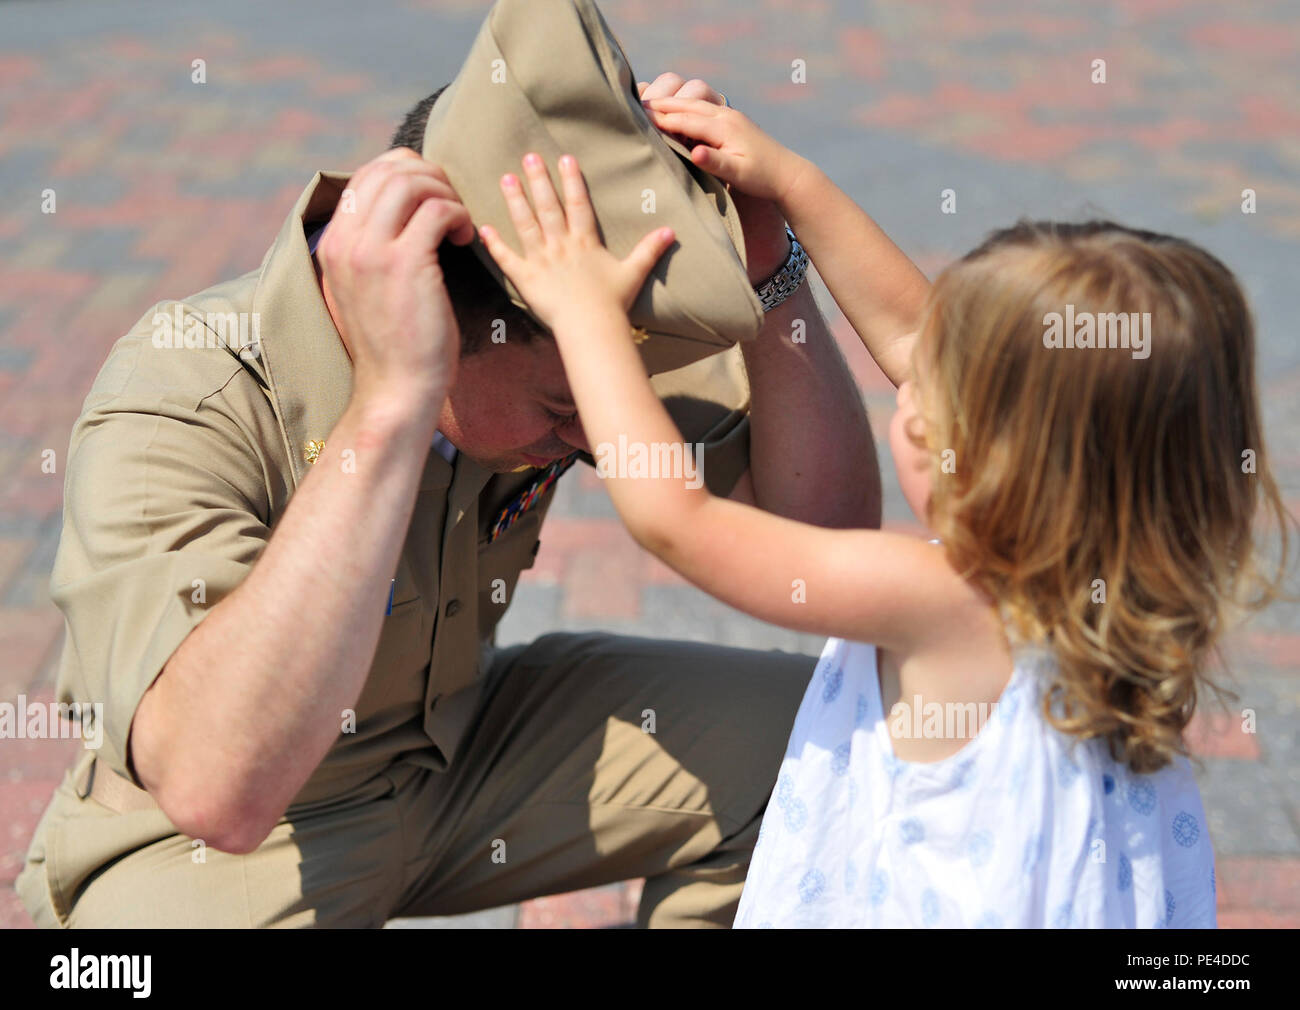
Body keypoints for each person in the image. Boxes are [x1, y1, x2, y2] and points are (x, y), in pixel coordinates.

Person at [18, 75, 917, 929]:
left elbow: (816, 541)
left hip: (465, 752)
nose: (593, 439)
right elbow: (221, 790)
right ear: (438, 314)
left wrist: (771, 265)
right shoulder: (180, 391)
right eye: (566, 412)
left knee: (828, 751)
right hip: (233, 842)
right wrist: (390, 402)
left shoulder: (561, 333)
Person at [475, 95, 1291, 928]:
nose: (908, 399)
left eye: (931, 402)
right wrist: (788, 182)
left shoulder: (944, 601)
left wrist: (586, 316)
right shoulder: (1133, 591)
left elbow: (676, 519)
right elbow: (911, 332)